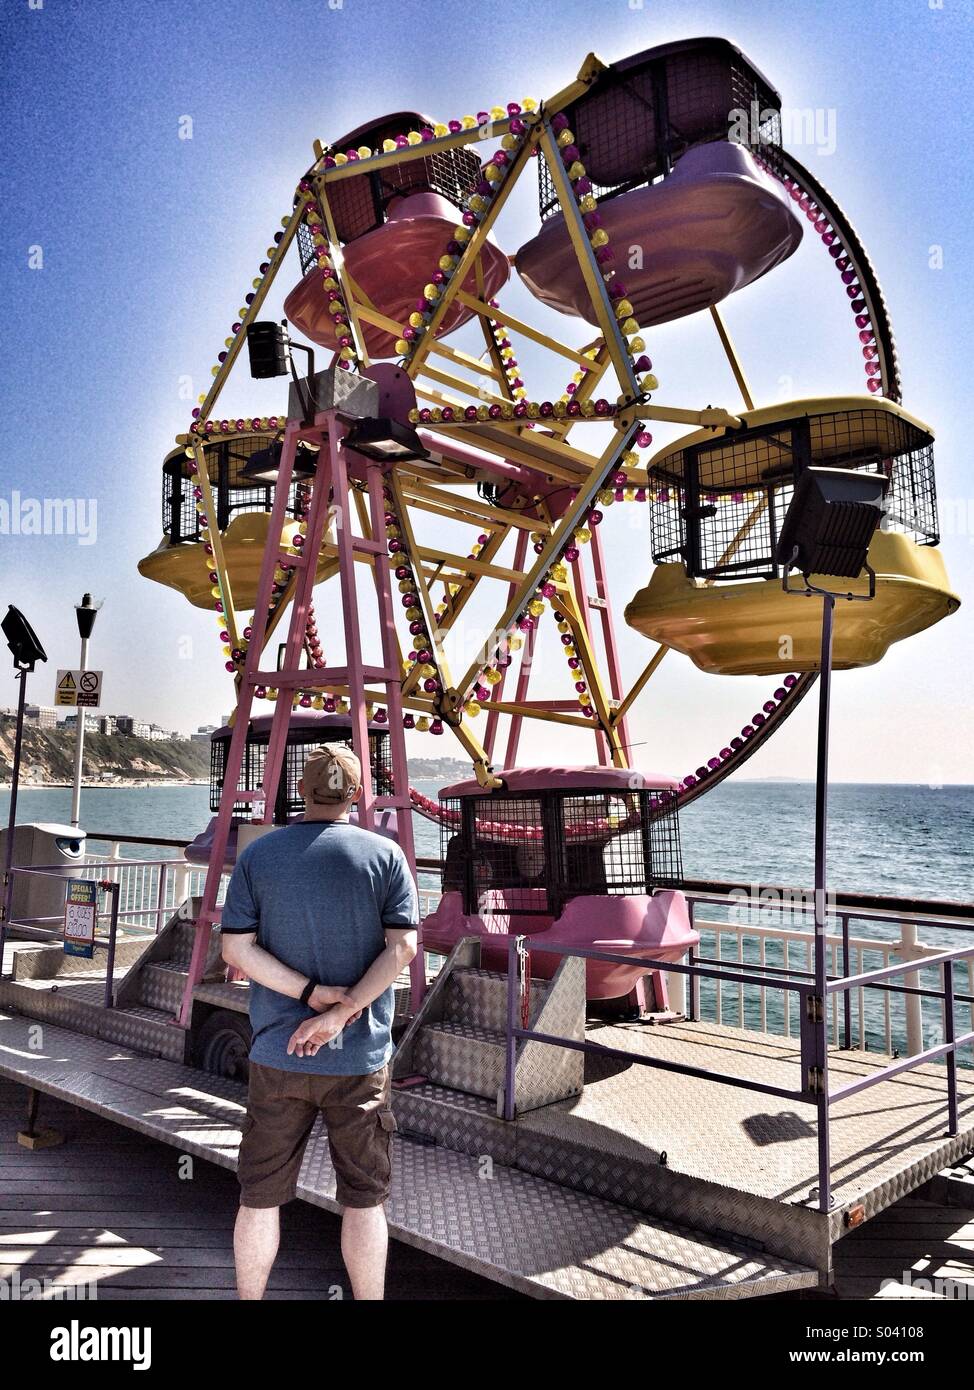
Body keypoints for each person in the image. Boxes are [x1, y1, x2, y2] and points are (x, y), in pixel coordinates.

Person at [220, 742, 418, 1301]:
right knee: (364, 1198)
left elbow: (235, 949)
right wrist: (343, 1012)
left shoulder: (260, 855)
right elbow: (403, 949)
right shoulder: (386, 856)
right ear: (357, 794)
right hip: (359, 1061)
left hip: (277, 1055)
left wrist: (309, 995)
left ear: (301, 790)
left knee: (259, 1196)